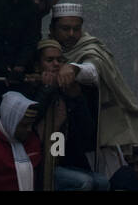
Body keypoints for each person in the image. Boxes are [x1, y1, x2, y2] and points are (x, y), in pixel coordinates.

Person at [49, 2, 138, 171]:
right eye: (65, 29)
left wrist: (73, 68)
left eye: (76, 28)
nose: (71, 34)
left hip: (90, 135)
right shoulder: (47, 48)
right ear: (53, 29)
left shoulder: (91, 48)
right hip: (53, 130)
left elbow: (93, 71)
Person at [32, 39, 108, 190]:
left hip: (65, 163)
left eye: (59, 60)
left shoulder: (68, 90)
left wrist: (76, 98)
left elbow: (87, 134)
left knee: (102, 182)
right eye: (49, 60)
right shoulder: (32, 90)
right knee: (84, 182)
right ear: (38, 65)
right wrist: (47, 89)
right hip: (41, 164)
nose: (56, 64)